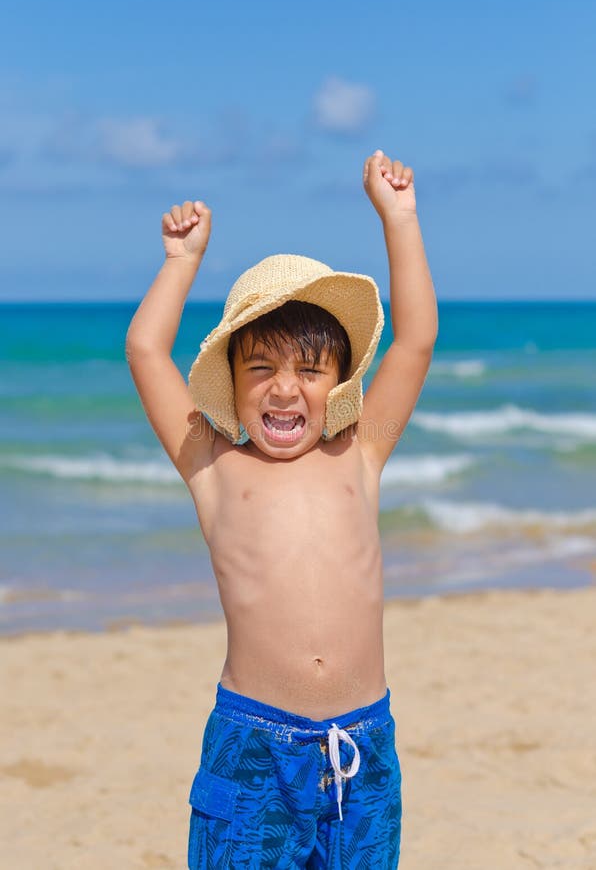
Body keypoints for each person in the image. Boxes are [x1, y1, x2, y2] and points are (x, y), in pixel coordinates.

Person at [125, 149, 438, 869]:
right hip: (252, 747)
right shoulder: (213, 465)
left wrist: (401, 218)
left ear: (337, 383)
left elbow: (416, 341)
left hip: (360, 750)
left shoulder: (360, 453)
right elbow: (146, 349)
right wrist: (181, 260)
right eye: (260, 369)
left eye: (307, 369)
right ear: (231, 385)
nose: (283, 389)